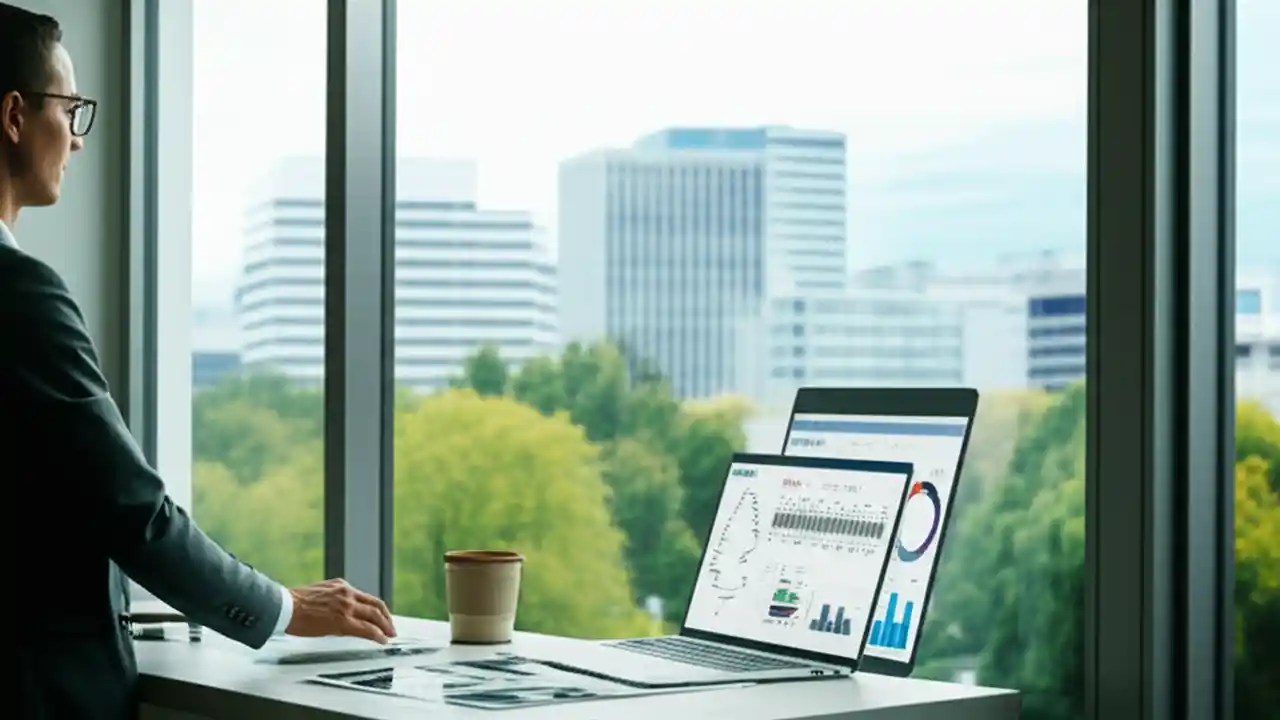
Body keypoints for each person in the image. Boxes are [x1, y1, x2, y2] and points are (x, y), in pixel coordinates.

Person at [2, 5, 397, 717]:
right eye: (70, 108)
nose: (79, 142)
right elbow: (131, 512)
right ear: (13, 115)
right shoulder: (20, 297)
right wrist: (280, 607)